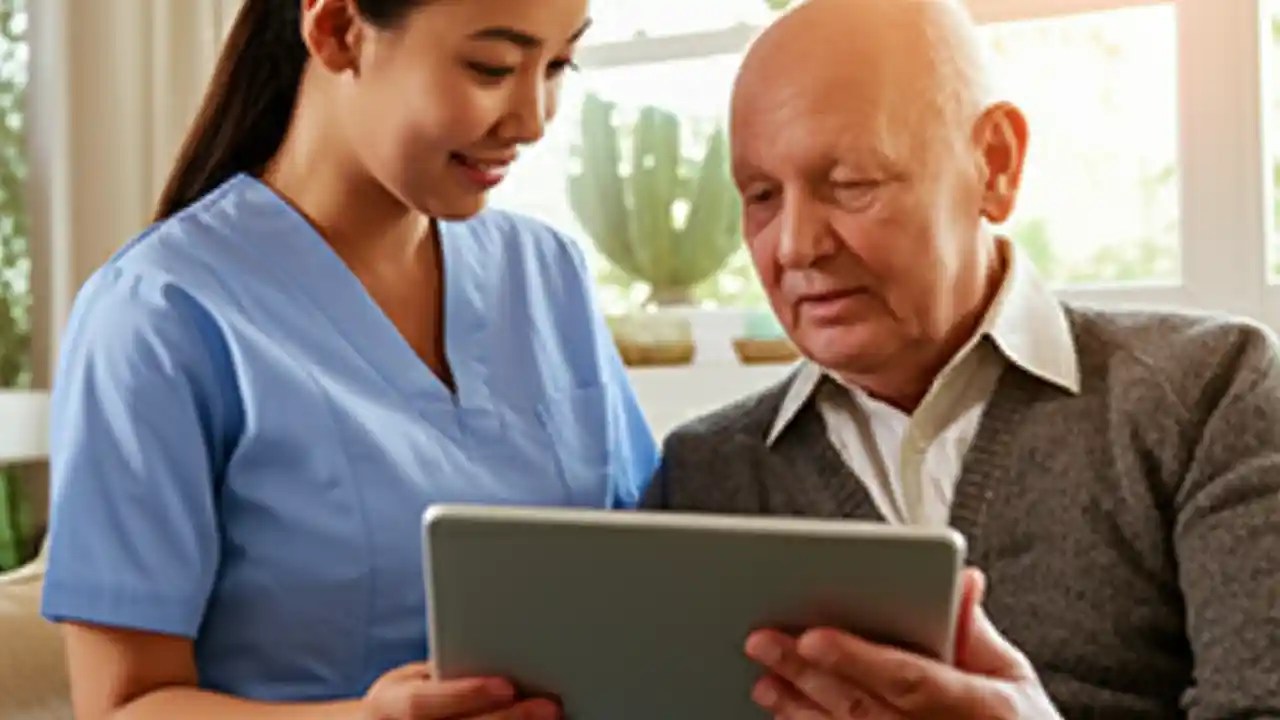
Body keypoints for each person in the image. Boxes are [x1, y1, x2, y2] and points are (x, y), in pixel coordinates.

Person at [643, 0, 1280, 717]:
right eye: (761, 196)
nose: (794, 246)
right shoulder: (706, 475)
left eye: (851, 183)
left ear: (996, 164)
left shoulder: (1210, 394)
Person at [40, 0, 656, 718]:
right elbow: (122, 707)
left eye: (556, 67)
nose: (532, 119)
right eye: (492, 67)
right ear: (337, 30)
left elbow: (648, 572)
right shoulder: (159, 313)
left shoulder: (546, 272)